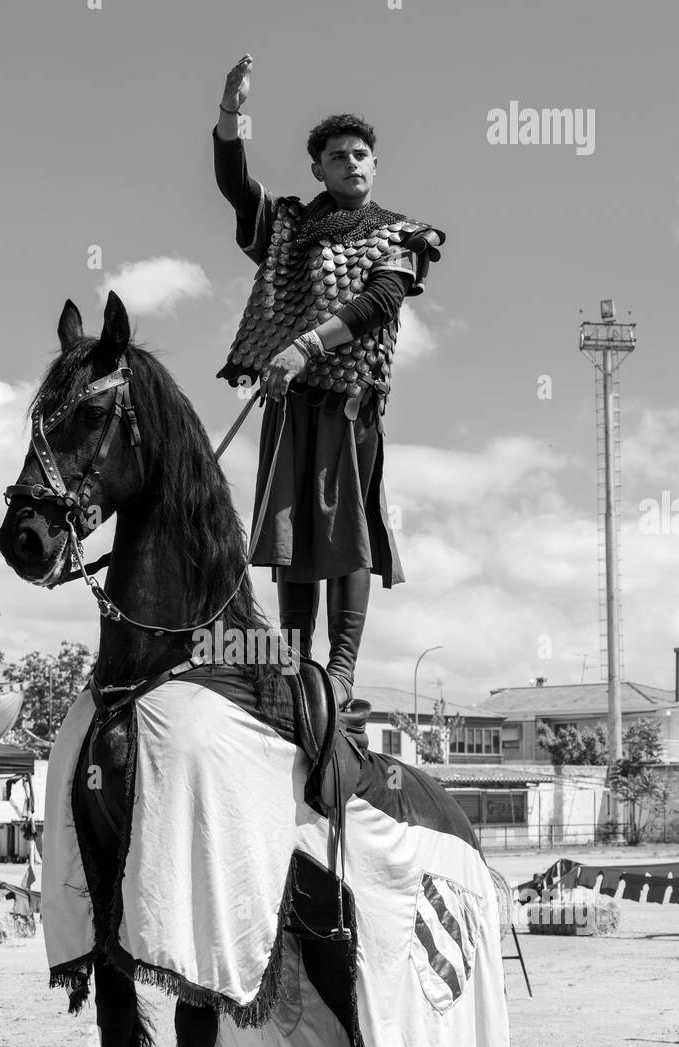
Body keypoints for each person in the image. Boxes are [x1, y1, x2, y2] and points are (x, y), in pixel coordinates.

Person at [214, 55, 444, 712]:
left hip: (351, 410)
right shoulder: (288, 226)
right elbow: (235, 184)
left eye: (361, 153)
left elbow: (379, 301)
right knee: (289, 536)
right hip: (290, 407)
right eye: (338, 155)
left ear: (376, 163)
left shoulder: (402, 234)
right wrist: (231, 115)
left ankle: (341, 670)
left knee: (345, 537)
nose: (351, 163)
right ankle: (290, 663)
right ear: (318, 167)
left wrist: (306, 345)